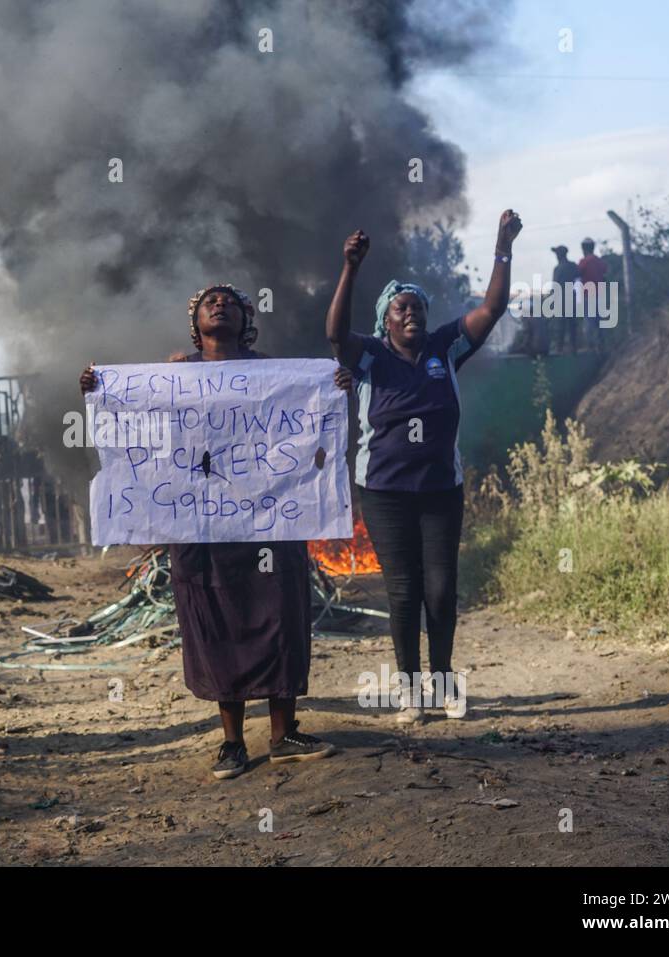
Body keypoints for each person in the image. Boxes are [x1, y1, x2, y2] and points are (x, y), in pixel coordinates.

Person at [80, 284, 336, 781]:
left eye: (232, 301)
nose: (221, 305)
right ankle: (233, 743)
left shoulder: (278, 377)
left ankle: (284, 734)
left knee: (279, 611)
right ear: (195, 323)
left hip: (267, 519)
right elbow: (133, 427)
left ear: (246, 318)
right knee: (216, 620)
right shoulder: (173, 378)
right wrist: (99, 390)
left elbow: (306, 431)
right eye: (209, 301)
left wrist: (334, 386)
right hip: (201, 521)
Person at [326, 210, 523, 724]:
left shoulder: (446, 347)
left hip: (440, 489)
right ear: (385, 321)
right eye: (400, 308)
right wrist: (350, 267)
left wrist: (502, 245)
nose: (410, 313)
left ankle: (444, 681)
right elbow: (334, 332)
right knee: (403, 590)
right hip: (385, 491)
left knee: (440, 588)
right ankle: (410, 691)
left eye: (416, 306)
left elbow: (493, 307)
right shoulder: (368, 357)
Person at [578, 237, 608, 352]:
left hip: (588, 296)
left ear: (583, 248)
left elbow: (578, 275)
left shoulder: (583, 262)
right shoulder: (600, 262)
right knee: (600, 323)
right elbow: (605, 275)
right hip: (600, 296)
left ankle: (590, 348)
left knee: (589, 322)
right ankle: (601, 346)